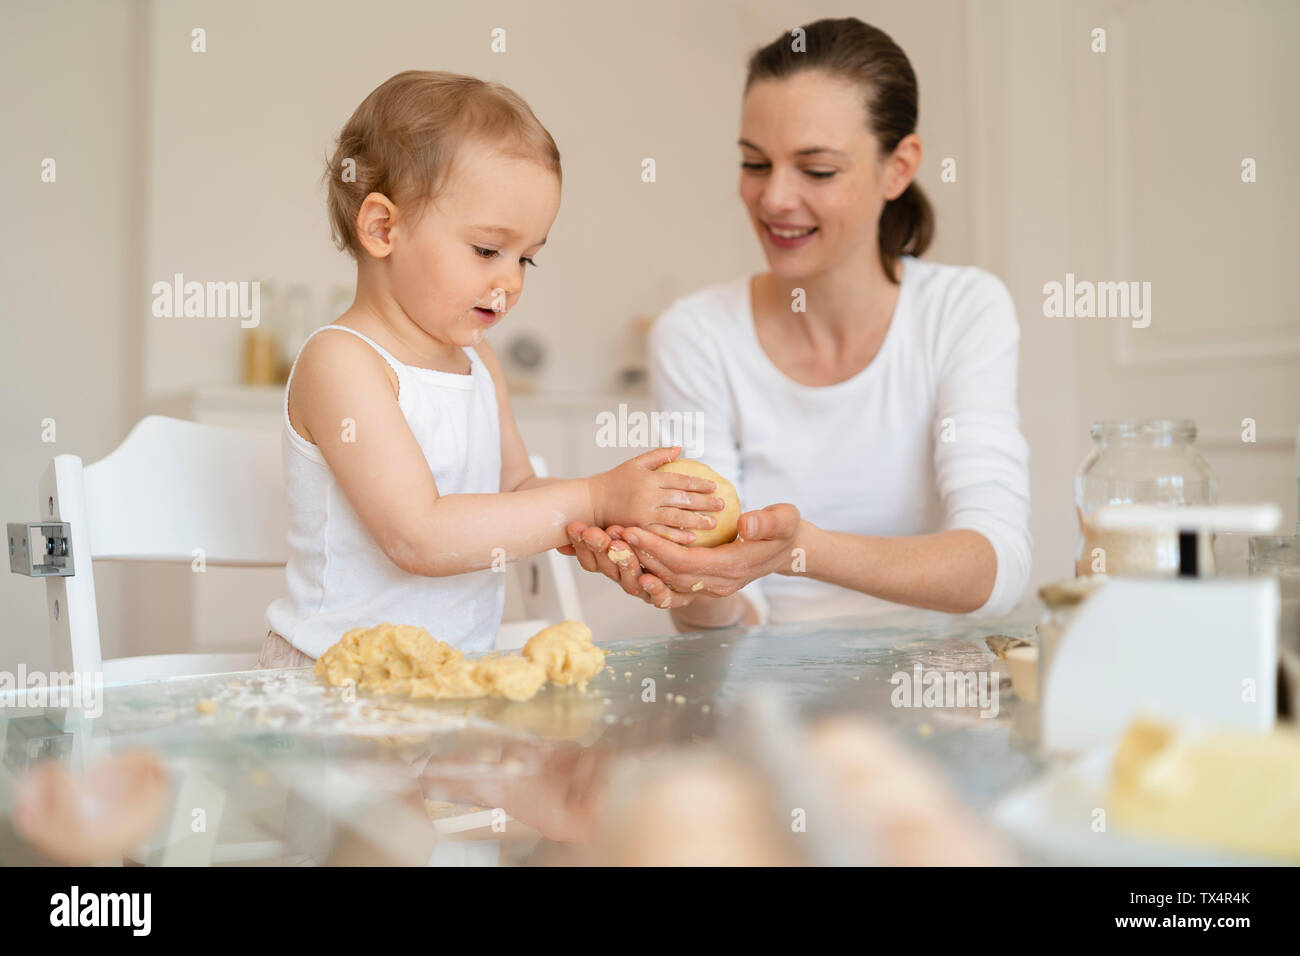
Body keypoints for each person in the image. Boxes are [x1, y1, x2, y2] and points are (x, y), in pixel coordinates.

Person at [561, 18, 1031, 630]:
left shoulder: (963, 311)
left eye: (817, 170)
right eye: (755, 163)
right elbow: (733, 612)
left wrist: (803, 549)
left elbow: (996, 567)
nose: (775, 198)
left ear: (899, 166)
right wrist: (689, 577)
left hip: (936, 688)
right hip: (767, 699)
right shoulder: (695, 335)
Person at [260, 71, 724, 666]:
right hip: (332, 683)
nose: (510, 280)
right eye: (487, 250)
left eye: (526, 258)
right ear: (383, 228)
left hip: (452, 678)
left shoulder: (479, 360)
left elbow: (518, 491)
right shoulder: (342, 361)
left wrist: (615, 523)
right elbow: (418, 536)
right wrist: (593, 497)